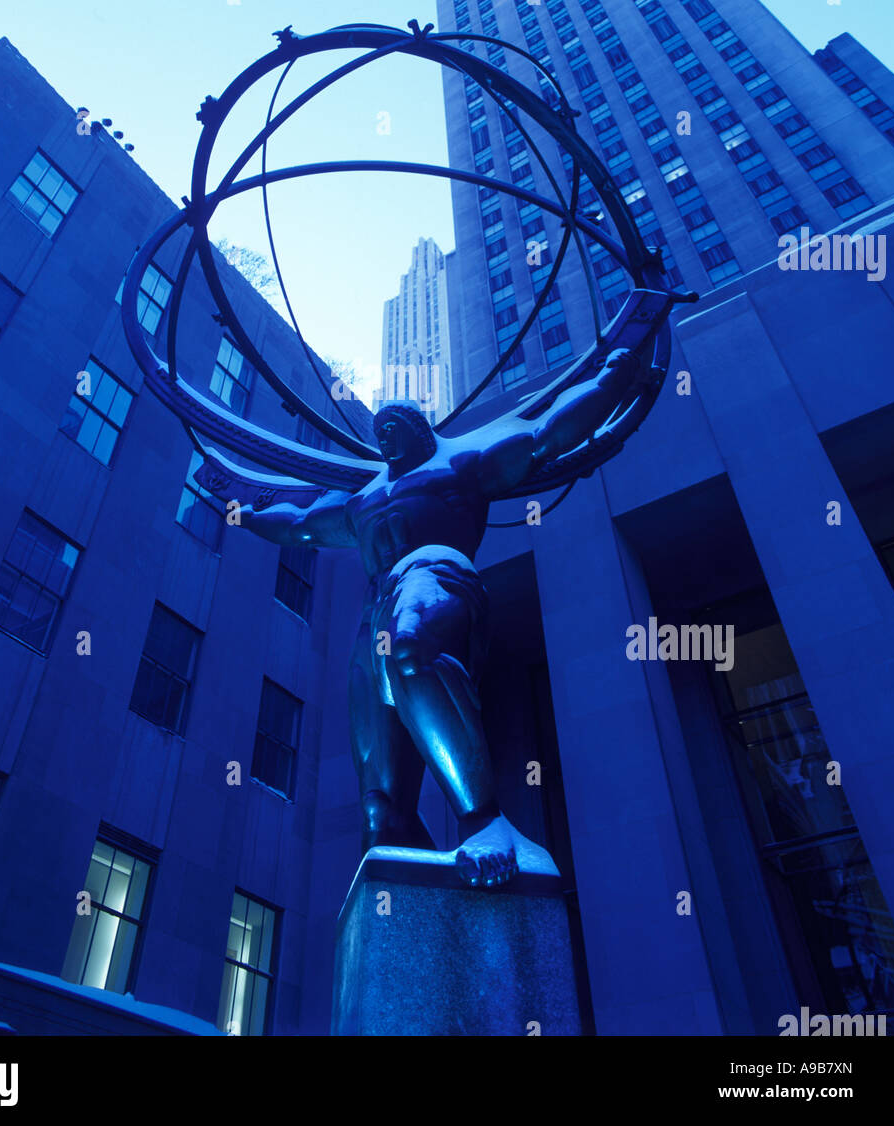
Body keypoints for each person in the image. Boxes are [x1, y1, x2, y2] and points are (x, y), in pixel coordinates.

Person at [239, 348, 639, 887]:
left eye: (396, 425)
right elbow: (302, 525)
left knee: (413, 648)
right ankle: (407, 875)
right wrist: (244, 508)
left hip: (435, 574)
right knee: (380, 813)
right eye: (379, 429)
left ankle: (485, 820)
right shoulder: (363, 501)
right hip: (373, 608)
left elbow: (546, 434)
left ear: (421, 429)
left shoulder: (459, 466)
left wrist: (616, 376)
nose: (385, 437)